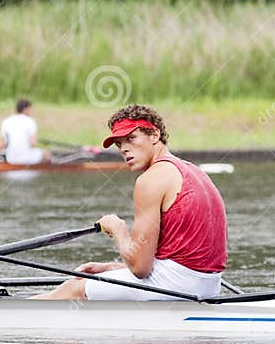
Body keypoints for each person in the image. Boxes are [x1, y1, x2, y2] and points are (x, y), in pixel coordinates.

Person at [32, 104, 227, 300]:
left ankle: (10, 315)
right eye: (119, 143)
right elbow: (170, 259)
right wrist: (111, 268)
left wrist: (118, 229)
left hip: (178, 285)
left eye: (131, 138)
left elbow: (140, 269)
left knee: (72, 289)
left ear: (154, 135)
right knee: (92, 280)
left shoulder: (150, 179)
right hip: (208, 285)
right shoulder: (194, 170)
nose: (124, 149)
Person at [0, 99, 52, 165]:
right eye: (30, 109)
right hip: (26, 158)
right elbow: (33, 143)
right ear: (26, 109)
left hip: (11, 159)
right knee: (47, 153)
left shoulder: (5, 121)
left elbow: (1, 145)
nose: (30, 112)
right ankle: (40, 170)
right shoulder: (30, 121)